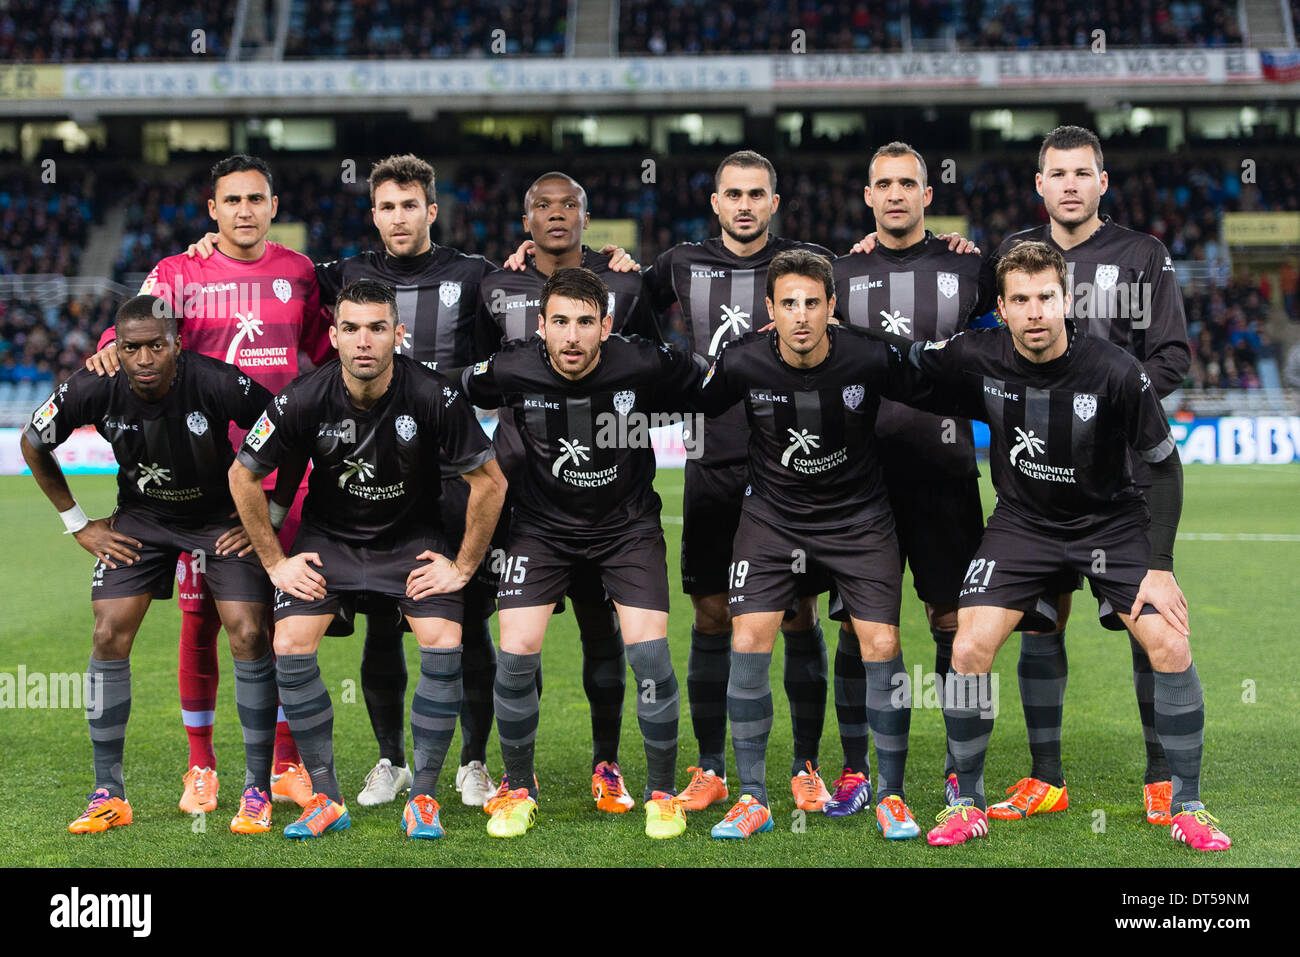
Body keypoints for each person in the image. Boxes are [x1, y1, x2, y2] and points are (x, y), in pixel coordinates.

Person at [864, 240, 1229, 852]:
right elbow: (903, 363)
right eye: (1020, 300)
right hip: (1023, 525)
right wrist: (823, 335)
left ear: (1067, 300)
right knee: (969, 644)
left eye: (1045, 297)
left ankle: (1189, 804)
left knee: (1168, 641)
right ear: (1001, 309)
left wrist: (1160, 568)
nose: (1034, 311)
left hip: (1110, 524)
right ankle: (968, 802)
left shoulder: (1115, 370)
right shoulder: (976, 355)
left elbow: (1163, 468)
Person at [84, 154, 332, 812]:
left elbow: (324, 353)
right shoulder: (179, 273)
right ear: (212, 208)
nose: (245, 210)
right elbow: (132, 331)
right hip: (201, 483)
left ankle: (283, 764)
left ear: (273, 206)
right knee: (201, 622)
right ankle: (203, 767)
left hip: (281, 474)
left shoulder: (300, 272)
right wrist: (110, 341)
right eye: (232, 200)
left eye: (256, 198)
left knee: (281, 620)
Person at [229, 278, 506, 840]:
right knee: (288, 642)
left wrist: (463, 567)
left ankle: (423, 796)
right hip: (329, 540)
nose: (364, 341)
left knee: (444, 639)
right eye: (351, 328)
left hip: (411, 542)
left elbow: (490, 482)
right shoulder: (301, 397)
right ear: (332, 335)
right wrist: (277, 562)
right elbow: (243, 474)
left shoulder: (435, 395)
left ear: (397, 334)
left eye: (377, 328)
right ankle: (326, 799)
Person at [984, 127, 1191, 825]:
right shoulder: (1013, 256)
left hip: (1119, 479)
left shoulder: (1142, 255)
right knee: (1040, 621)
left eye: (1082, 172)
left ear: (1103, 182)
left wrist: (1106, 406)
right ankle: (1046, 774)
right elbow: (977, 339)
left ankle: (1162, 775)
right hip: (1034, 481)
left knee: (1145, 624)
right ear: (1038, 184)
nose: (1069, 183)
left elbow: (1171, 355)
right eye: (1056, 173)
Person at [462, 266, 706, 840]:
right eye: (561, 322)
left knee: (649, 657)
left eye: (586, 323)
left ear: (607, 326)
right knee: (517, 653)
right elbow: (447, 395)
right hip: (539, 532)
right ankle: (518, 785)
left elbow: (716, 384)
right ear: (540, 325)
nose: (573, 336)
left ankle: (661, 795)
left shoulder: (644, 361)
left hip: (626, 529)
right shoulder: (509, 365)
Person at [696, 249, 930, 840]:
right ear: (769, 310)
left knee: (881, 641)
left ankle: (892, 796)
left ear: (832, 307)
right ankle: (752, 798)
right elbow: (689, 398)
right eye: (789, 304)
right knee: (748, 635)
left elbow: (941, 386)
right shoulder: (743, 360)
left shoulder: (871, 355)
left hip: (859, 521)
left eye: (813, 303)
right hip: (771, 519)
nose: (801, 316)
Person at [24, 295, 280, 835]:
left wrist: (265, 517)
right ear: (115, 349)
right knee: (108, 633)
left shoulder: (214, 381)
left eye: (155, 346)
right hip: (140, 520)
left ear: (176, 345)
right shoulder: (95, 386)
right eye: (131, 348)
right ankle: (108, 794)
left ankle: (257, 789)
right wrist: (78, 523)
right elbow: (33, 440)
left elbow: (284, 427)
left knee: (250, 633)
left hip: (217, 519)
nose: (144, 358)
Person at [640, 150, 837, 812]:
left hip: (788, 468)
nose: (746, 204)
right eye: (734, 193)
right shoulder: (682, 263)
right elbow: (626, 307)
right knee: (712, 611)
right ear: (716, 202)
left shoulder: (801, 264)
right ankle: (713, 766)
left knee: (796, 612)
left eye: (757, 193)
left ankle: (806, 765)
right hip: (711, 460)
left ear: (773, 201)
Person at [479, 171, 660, 812]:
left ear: (588, 216)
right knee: (508, 637)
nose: (556, 216)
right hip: (526, 501)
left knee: (601, 632)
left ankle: (606, 763)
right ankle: (494, 768)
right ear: (525, 220)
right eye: (542, 206)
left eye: (570, 205)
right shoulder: (495, 284)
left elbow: (658, 368)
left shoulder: (628, 283)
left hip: (613, 504)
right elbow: (474, 376)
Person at [829, 141, 993, 816]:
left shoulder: (973, 267)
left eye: (908, 183)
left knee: (956, 621)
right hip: (858, 480)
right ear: (867, 197)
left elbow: (1036, 293)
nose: (895, 194)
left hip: (945, 472)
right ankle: (854, 768)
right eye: (883, 184)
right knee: (858, 626)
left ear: (928, 195)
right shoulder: (839, 273)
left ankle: (964, 771)